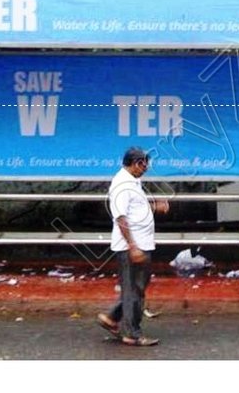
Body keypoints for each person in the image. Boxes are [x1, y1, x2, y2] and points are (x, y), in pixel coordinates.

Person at [97, 147, 169, 346]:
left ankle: (112, 317)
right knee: (133, 290)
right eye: (144, 164)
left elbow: (135, 209)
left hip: (140, 243)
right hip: (131, 245)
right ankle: (132, 333)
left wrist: (155, 207)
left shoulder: (132, 182)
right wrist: (132, 246)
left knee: (136, 287)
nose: (146, 168)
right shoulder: (122, 185)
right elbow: (121, 217)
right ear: (136, 163)